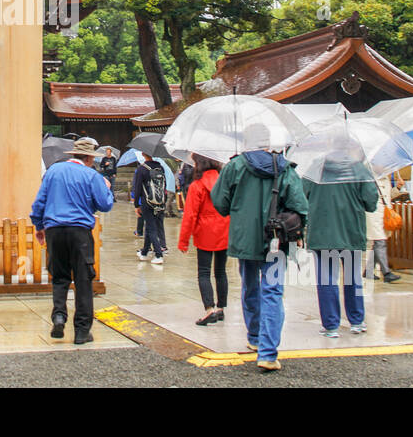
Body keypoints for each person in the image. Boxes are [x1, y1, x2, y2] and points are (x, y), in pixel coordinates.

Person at [211, 138, 308, 373]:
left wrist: (238, 207)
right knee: (273, 291)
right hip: (275, 240)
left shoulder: (235, 166)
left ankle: (254, 336)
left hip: (245, 238)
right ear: (269, 144)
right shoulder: (284, 167)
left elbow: (219, 201)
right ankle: (268, 352)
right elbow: (299, 205)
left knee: (250, 286)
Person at [30, 137, 114, 344]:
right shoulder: (91, 175)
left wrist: (39, 226)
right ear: (88, 158)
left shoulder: (53, 172)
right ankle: (82, 330)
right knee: (83, 279)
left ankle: (59, 316)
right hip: (79, 230)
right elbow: (104, 205)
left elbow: (40, 201)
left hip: (54, 229)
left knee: (59, 276)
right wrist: (107, 188)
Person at [303, 160, 380, 338]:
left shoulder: (316, 168)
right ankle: (357, 321)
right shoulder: (359, 170)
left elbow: (301, 196)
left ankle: (331, 326)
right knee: (353, 278)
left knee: (327, 280)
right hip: (351, 232)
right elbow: (371, 202)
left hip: (322, 233)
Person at [177, 154, 229, 326]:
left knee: (204, 272)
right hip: (224, 229)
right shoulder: (224, 183)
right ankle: (221, 308)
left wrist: (183, 240)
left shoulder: (197, 186)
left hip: (205, 231)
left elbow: (190, 215)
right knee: (221, 271)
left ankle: (209, 309)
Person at [364, 176, 402, 283]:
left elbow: (388, 197)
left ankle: (368, 271)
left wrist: (398, 188)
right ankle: (387, 273)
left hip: (384, 215)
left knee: (378, 242)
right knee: (380, 242)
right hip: (373, 215)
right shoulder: (370, 178)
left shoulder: (386, 179)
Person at [132, 153, 167, 263]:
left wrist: (136, 205)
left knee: (151, 228)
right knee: (149, 227)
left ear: (143, 154)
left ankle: (158, 254)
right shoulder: (160, 167)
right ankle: (144, 253)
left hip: (147, 202)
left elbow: (137, 188)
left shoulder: (141, 169)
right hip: (159, 201)